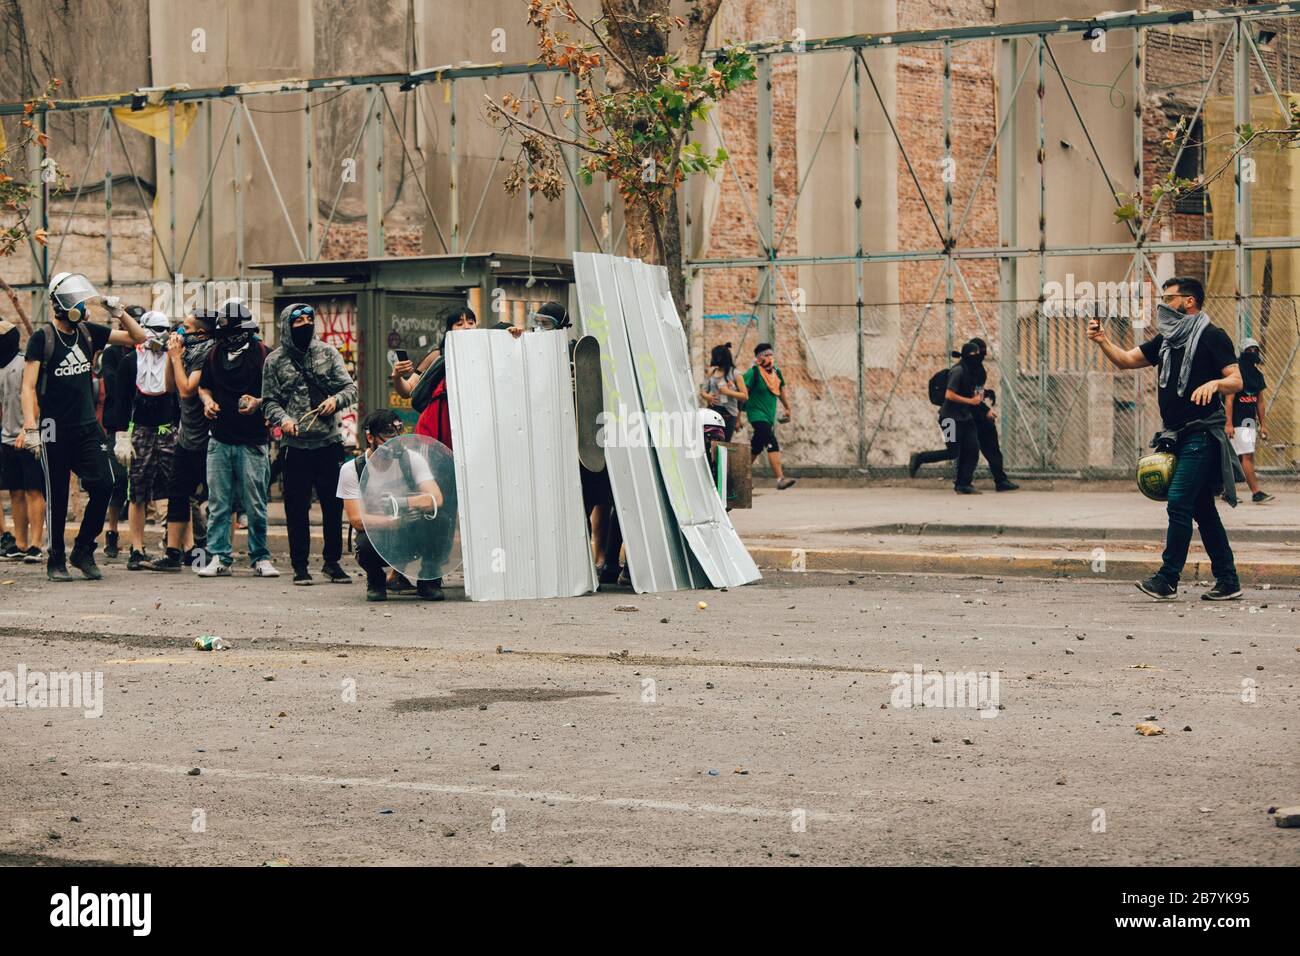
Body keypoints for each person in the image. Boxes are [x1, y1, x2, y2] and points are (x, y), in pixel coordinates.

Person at [1089, 276, 1244, 601]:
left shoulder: (1212, 336)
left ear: (1188, 301)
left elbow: (1237, 380)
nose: (1162, 303)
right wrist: (1103, 340)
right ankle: (1228, 580)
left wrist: (1215, 384)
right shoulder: (1166, 341)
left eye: (1168, 297)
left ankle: (1168, 578)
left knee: (1178, 501)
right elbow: (1127, 360)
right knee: (1203, 510)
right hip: (1176, 436)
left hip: (1202, 433)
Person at [18, 273, 146, 581]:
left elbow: (138, 338)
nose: (79, 308)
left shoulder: (89, 333)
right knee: (58, 496)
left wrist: (119, 314)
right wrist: (31, 426)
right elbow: (28, 387)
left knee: (107, 482)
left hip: (88, 427)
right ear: (59, 305)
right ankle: (56, 559)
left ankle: (83, 550)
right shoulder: (43, 338)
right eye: (73, 302)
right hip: (53, 428)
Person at [260, 302, 357, 585]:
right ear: (287, 327)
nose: (304, 325)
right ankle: (300, 565)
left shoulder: (327, 352)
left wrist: (334, 401)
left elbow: (349, 388)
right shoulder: (274, 361)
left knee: (332, 505)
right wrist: (284, 420)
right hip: (295, 445)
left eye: (308, 320)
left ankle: (332, 562)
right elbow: (268, 401)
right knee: (296, 507)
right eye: (297, 322)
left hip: (329, 442)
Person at [195, 299, 278, 578]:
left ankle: (260, 557)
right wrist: (207, 402)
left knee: (255, 503)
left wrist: (258, 402)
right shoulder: (214, 353)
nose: (228, 339)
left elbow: (278, 394)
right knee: (218, 503)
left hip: (253, 440)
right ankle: (219, 556)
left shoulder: (264, 354)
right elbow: (204, 387)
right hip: (219, 439)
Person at [336, 409, 444, 602]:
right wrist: (395, 522)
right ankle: (376, 580)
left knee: (440, 521)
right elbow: (357, 520)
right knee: (364, 543)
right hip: (380, 533)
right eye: (387, 436)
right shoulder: (352, 470)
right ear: (370, 437)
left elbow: (436, 498)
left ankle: (428, 579)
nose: (395, 441)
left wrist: (404, 503)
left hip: (411, 529)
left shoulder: (412, 459)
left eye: (398, 433)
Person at [147, 308, 217, 572]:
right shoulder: (186, 352)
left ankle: (213, 553)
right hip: (187, 437)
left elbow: (188, 390)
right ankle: (173, 553)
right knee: (177, 493)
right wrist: (171, 355)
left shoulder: (208, 352)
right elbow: (168, 386)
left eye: (185, 328)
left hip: (208, 439)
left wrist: (177, 358)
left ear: (200, 332)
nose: (179, 332)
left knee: (215, 498)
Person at [111, 310, 180, 570]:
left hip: (166, 429)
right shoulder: (129, 363)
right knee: (137, 491)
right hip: (139, 428)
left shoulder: (174, 359)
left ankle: (180, 547)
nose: (159, 334)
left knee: (175, 489)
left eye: (165, 328)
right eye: (155, 328)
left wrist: (180, 428)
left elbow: (178, 399)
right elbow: (121, 401)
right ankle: (137, 548)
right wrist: (122, 436)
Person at [909, 337, 1019, 492]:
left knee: (972, 450)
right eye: (976, 353)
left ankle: (963, 484)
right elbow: (949, 395)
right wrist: (973, 402)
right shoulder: (958, 370)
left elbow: (977, 395)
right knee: (953, 452)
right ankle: (920, 458)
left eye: (980, 353)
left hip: (965, 417)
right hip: (948, 418)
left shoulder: (978, 371)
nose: (979, 356)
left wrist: (982, 400)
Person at [391, 305, 477, 447]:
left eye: (471, 322)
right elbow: (408, 390)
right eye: (459, 324)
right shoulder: (439, 356)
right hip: (443, 428)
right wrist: (397, 377)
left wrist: (512, 333)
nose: (466, 327)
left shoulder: (484, 353)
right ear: (450, 330)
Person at [1, 319, 46, 562]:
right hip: (7, 437)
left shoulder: (23, 364)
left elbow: (35, 400)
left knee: (33, 490)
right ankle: (20, 542)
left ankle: (37, 544)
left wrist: (25, 431)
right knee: (15, 491)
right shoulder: (1, 367)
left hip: (30, 436)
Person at [1226, 337, 1274, 504]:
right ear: (1242, 352)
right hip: (1238, 422)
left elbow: (1259, 402)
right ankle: (1256, 492)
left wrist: (1263, 425)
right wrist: (1229, 423)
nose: (1252, 353)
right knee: (1246, 456)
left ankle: (1227, 491)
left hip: (1249, 422)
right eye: (1249, 351)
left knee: (1239, 458)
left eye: (1255, 350)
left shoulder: (1257, 375)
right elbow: (1229, 400)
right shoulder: (1237, 374)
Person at [742, 343, 796, 490]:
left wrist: (787, 407)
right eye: (766, 355)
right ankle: (780, 479)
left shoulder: (776, 373)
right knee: (771, 441)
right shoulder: (753, 373)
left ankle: (738, 477)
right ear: (759, 358)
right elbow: (742, 391)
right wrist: (737, 412)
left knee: (756, 447)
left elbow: (781, 390)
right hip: (756, 415)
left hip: (768, 416)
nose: (770, 358)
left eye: (771, 354)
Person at [700, 342, 747, 441]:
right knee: (710, 441)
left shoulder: (735, 374)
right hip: (713, 410)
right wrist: (707, 396)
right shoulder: (712, 372)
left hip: (729, 414)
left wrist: (728, 392)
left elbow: (745, 396)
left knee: (724, 443)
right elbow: (703, 391)